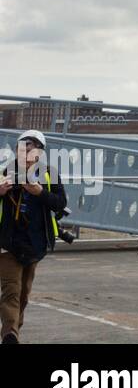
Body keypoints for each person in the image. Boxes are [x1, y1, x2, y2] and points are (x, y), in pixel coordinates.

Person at [0, 130, 67, 343]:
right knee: (11, 290)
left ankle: (14, 328)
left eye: (30, 148)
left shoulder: (50, 174)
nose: (25, 153)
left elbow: (60, 203)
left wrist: (40, 192)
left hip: (35, 244)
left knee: (24, 293)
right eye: (22, 148)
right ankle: (10, 334)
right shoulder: (6, 172)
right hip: (8, 242)